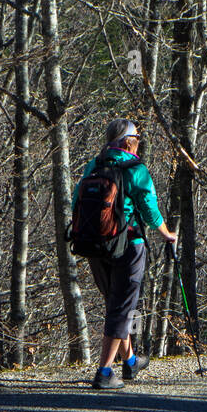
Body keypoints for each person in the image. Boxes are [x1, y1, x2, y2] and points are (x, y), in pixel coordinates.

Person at [71, 119, 178, 389]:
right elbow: (149, 208)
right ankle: (104, 372)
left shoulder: (93, 166)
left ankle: (130, 362)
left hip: (95, 244)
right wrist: (166, 233)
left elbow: (76, 203)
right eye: (137, 138)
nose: (139, 141)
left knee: (115, 303)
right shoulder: (135, 168)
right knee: (122, 307)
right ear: (128, 142)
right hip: (129, 245)